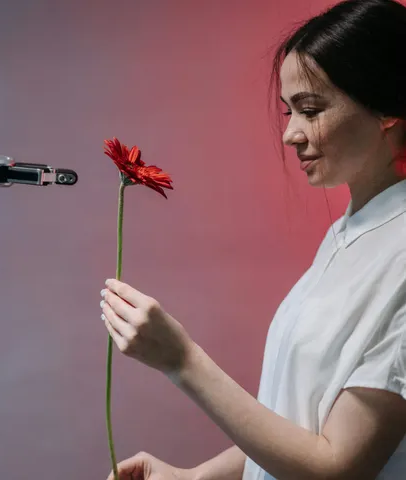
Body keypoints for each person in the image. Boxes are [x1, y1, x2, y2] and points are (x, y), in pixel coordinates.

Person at [100, 0, 406, 478]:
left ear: (387, 109)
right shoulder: (351, 233)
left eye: (310, 109)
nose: (289, 134)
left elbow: (336, 466)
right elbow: (299, 419)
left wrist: (182, 361)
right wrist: (195, 477)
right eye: (289, 111)